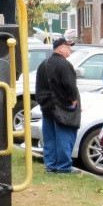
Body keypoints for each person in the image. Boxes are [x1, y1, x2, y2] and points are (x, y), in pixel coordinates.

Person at [35, 36, 81, 174]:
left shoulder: (44, 63)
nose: (70, 50)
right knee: (65, 136)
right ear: (60, 48)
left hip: (47, 105)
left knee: (49, 137)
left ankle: (50, 165)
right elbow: (70, 85)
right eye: (68, 47)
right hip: (63, 106)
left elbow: (39, 87)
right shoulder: (65, 65)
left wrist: (43, 101)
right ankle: (64, 166)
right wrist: (73, 101)